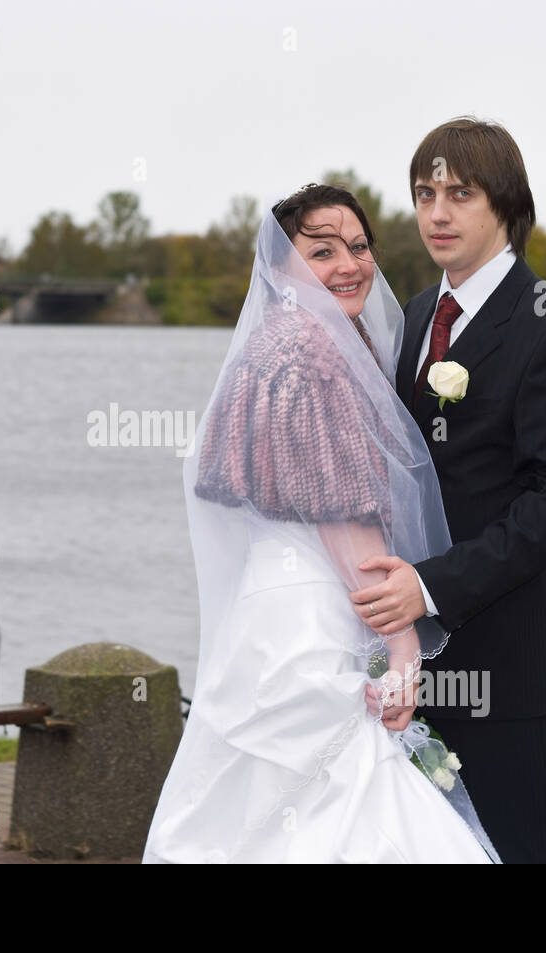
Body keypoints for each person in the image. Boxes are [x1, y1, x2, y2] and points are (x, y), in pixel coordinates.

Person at [142, 183, 499, 863]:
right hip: (313, 622)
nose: (349, 264)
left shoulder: (265, 347)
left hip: (265, 614)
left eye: (359, 247)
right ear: (280, 269)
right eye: (321, 251)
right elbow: (342, 514)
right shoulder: (315, 353)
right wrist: (399, 645)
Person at [351, 118, 546, 863]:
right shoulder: (416, 318)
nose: (436, 212)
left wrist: (429, 588)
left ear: (506, 203)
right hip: (405, 664)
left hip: (503, 670)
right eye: (424, 193)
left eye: (459, 193)